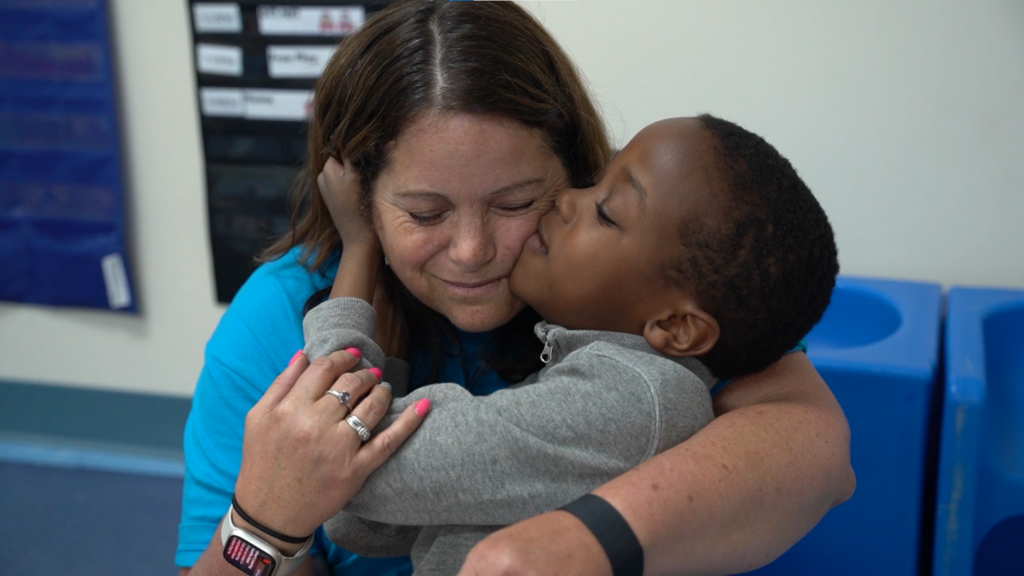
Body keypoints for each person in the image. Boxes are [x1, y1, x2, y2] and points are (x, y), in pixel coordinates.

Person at [176, 2, 855, 575]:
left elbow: (819, 453)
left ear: (574, 171)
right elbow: (361, 527)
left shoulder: (662, 296)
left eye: (517, 202)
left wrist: (583, 537)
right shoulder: (274, 314)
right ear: (360, 200)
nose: (472, 252)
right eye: (426, 213)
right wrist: (260, 528)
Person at [301, 114, 839, 575]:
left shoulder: (626, 400)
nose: (564, 202)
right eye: (594, 180)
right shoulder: (605, 387)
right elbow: (361, 526)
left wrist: (360, 248)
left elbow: (335, 463)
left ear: (676, 328)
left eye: (606, 211)